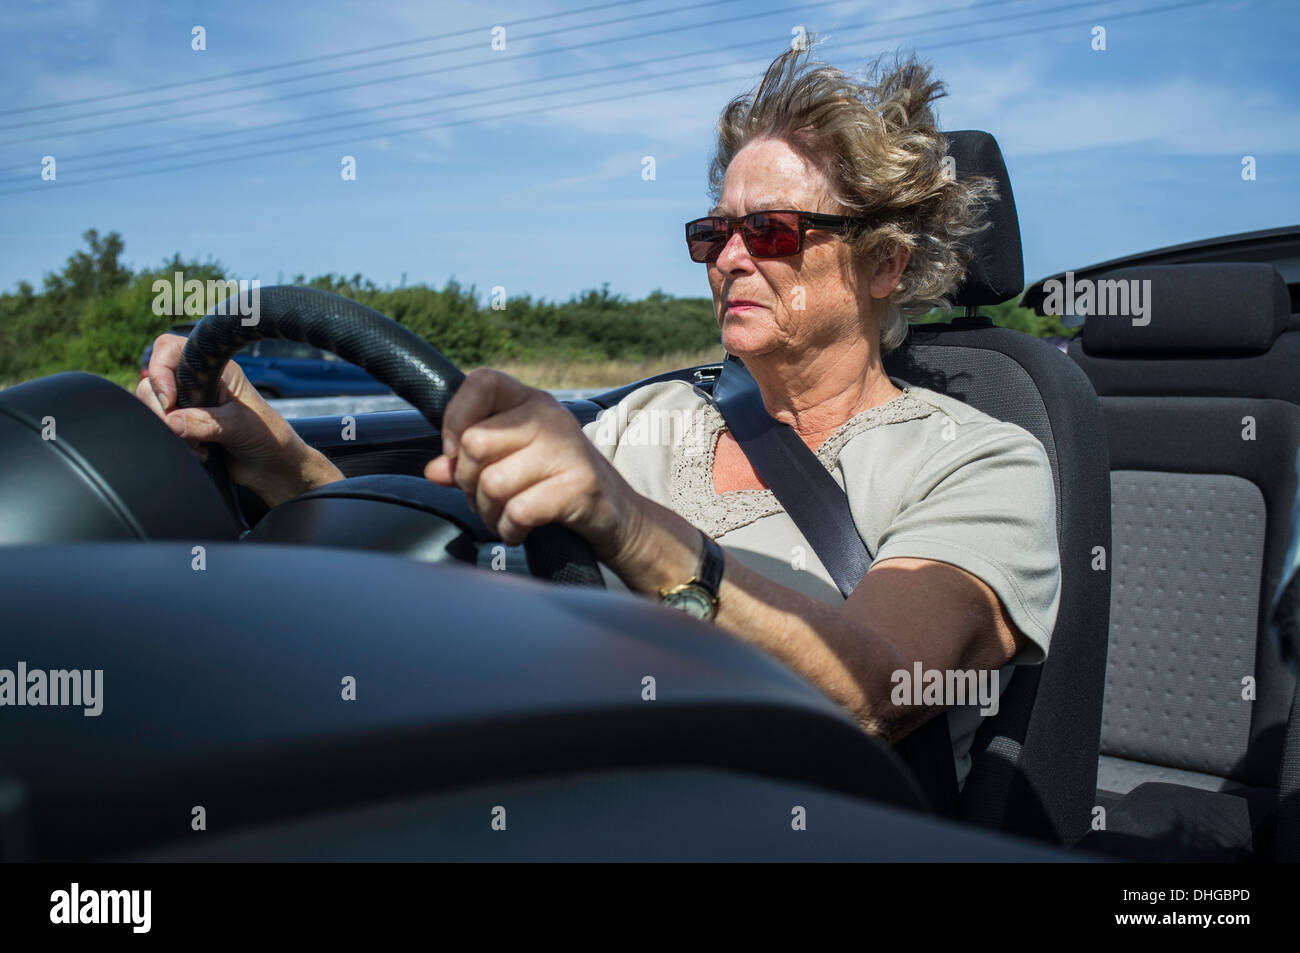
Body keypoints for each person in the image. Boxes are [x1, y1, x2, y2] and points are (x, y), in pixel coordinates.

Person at [139, 45, 1060, 788]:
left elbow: (881, 685)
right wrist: (282, 464)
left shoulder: (980, 457)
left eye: (771, 231)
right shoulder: (655, 412)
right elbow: (461, 558)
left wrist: (625, 521)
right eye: (713, 233)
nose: (728, 259)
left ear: (885, 264)